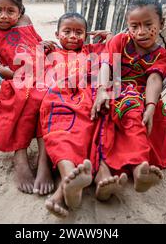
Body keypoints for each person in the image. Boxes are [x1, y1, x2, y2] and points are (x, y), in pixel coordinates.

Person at [91, 0, 166, 194]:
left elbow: (154, 79)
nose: (141, 32)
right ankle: (126, 166)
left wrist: (151, 106)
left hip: (142, 95)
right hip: (113, 87)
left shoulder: (163, 55)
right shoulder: (120, 40)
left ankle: (138, 168)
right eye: (134, 26)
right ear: (128, 26)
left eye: (148, 25)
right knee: (102, 112)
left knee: (136, 110)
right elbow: (107, 64)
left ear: (161, 24)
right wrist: (101, 90)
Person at [39, 13, 126, 218]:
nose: (72, 36)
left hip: (86, 97)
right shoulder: (51, 54)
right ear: (57, 34)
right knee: (59, 131)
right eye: (67, 31)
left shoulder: (91, 50)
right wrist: (39, 48)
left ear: (86, 36)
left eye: (78, 32)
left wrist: (111, 36)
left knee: (88, 130)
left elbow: (114, 50)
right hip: (58, 98)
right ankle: (69, 175)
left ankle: (70, 183)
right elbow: (30, 66)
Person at [0, 0, 55, 195]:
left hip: (43, 70)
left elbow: (33, 42)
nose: (3, 15)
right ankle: (20, 158)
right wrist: (6, 71)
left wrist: (42, 45)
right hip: (17, 77)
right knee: (28, 101)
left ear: (20, 12)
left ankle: (44, 161)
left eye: (11, 11)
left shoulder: (25, 22)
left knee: (52, 99)